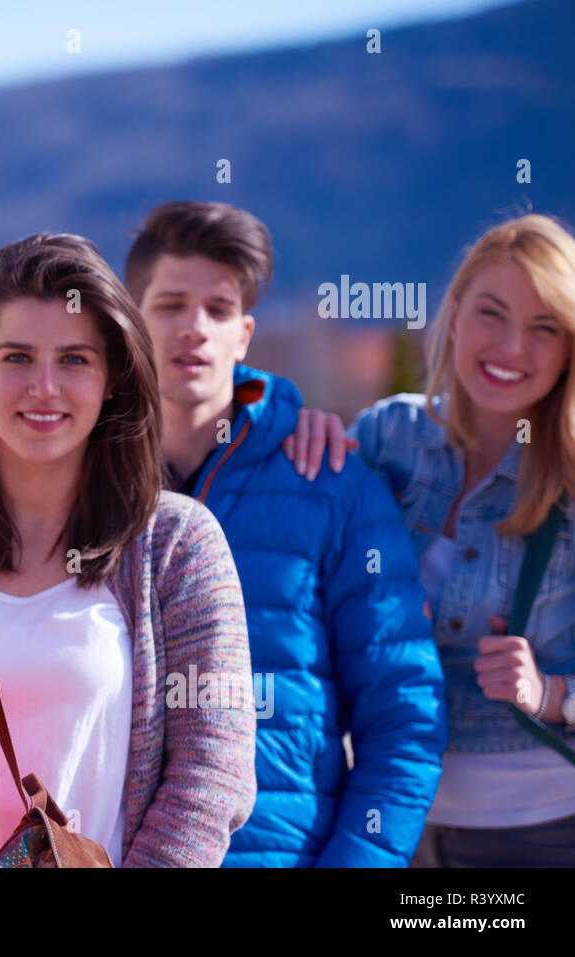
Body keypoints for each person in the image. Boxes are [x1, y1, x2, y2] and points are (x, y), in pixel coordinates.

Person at [123, 201, 446, 867]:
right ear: (129, 319)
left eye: (217, 309)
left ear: (244, 334)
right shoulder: (78, 481)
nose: (194, 328)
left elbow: (403, 712)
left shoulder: (331, 479)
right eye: (170, 304)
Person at [0, 232, 257, 868]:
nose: (45, 387)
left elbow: (212, 772)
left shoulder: (175, 543)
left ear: (113, 372)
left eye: (76, 360)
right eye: (18, 357)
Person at [291, 213, 575, 866]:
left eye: (544, 328)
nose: (510, 347)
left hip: (540, 826)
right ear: (453, 317)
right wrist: (298, 428)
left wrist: (551, 693)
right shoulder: (389, 437)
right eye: (491, 313)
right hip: (390, 822)